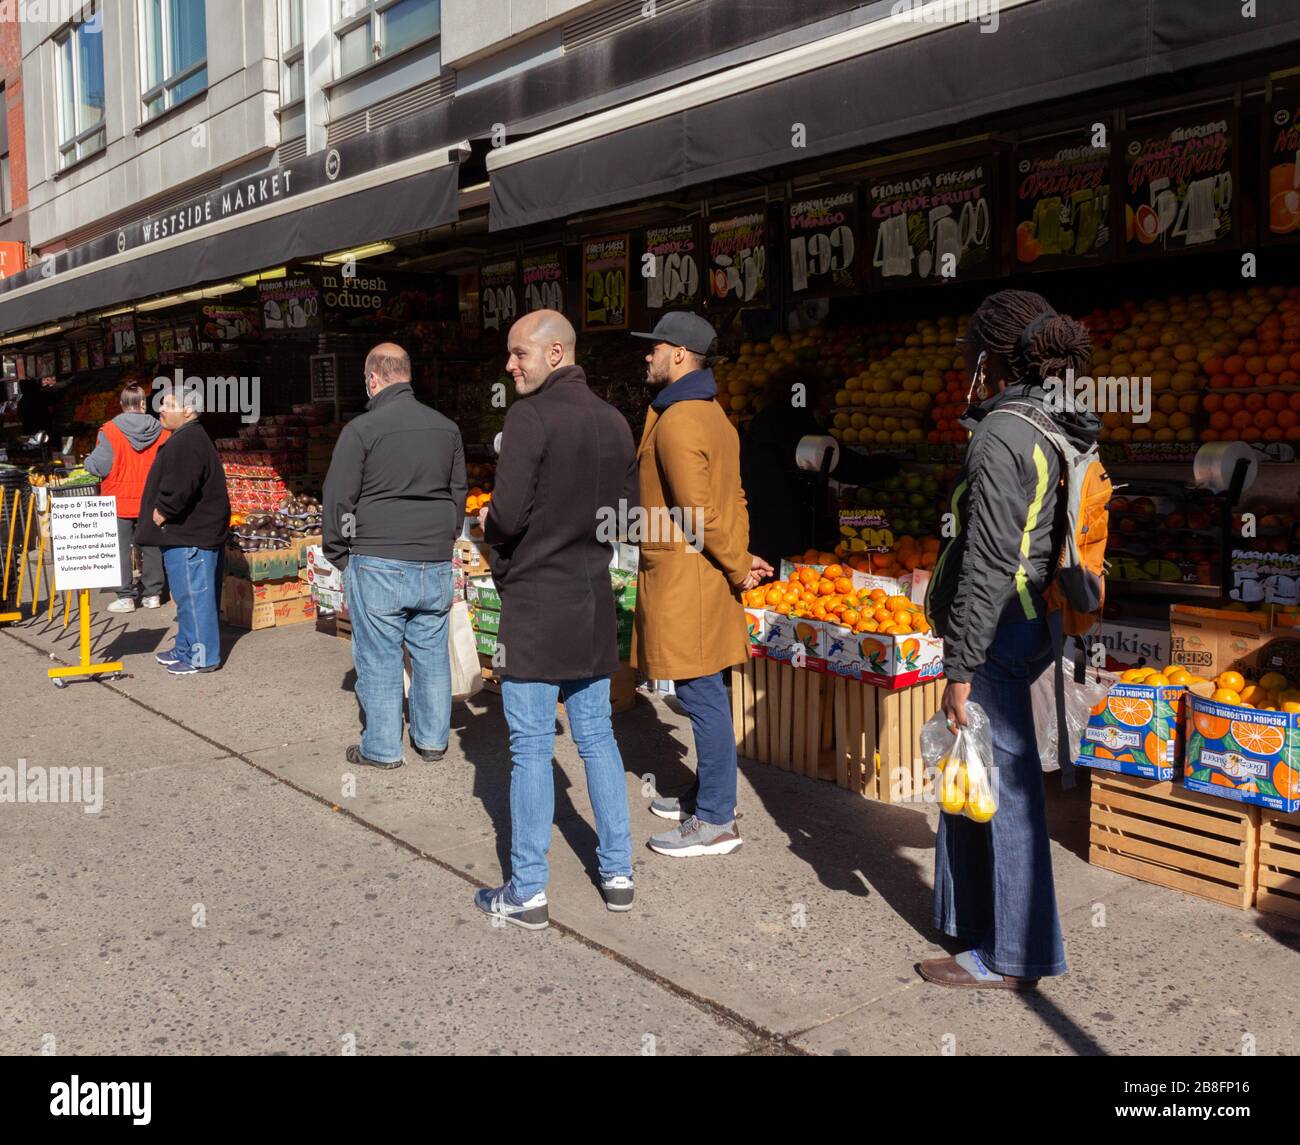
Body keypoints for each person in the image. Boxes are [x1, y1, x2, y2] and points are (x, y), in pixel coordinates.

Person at [919, 289, 1098, 991]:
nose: (964, 359)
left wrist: (960, 666)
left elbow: (991, 561)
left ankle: (1013, 954)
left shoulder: (1001, 435)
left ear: (989, 355)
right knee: (977, 777)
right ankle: (969, 917)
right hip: (1033, 617)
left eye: (970, 347)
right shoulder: (1051, 419)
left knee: (1009, 791)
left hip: (999, 626)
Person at [473, 310, 638, 930]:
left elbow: (508, 516)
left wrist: (492, 531)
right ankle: (618, 871)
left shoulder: (530, 416)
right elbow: (625, 516)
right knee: (597, 738)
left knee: (529, 748)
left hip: (537, 607)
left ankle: (528, 890)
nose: (509, 365)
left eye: (519, 354)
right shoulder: (614, 421)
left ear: (556, 352)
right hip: (592, 601)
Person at [630, 311, 773, 856]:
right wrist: (740, 555)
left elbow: (695, 511)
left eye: (656, 347)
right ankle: (706, 794)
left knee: (700, 692)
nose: (649, 355)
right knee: (704, 686)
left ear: (681, 356)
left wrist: (738, 562)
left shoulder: (681, 418)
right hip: (703, 569)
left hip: (687, 574)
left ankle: (715, 819)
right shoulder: (710, 412)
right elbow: (730, 500)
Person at [323, 343, 466, 771]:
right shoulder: (447, 428)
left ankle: (383, 748)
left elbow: (338, 497)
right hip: (434, 561)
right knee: (430, 653)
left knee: (379, 656)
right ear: (407, 374)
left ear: (373, 379)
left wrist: (339, 553)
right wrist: (442, 540)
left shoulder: (362, 430)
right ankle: (432, 741)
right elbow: (457, 493)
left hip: (378, 559)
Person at [741, 367, 900, 572]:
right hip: (791, 527)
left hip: (757, 524)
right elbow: (846, 465)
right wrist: (890, 464)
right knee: (796, 580)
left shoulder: (759, 423)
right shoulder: (798, 423)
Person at [135, 382, 231, 676]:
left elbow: (181, 486)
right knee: (188, 597)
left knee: (194, 598)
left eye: (169, 405)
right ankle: (186, 648)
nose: (161, 409)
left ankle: (201, 657)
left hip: (191, 535)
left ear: (188, 411)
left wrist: (163, 511)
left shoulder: (187, 440)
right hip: (190, 534)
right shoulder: (187, 437)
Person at [83, 382, 170, 613]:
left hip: (118, 499)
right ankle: (153, 594)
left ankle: (126, 597)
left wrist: (87, 461)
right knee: (151, 545)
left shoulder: (109, 430)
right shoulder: (162, 430)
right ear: (143, 404)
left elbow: (99, 467)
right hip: (151, 499)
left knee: (120, 549)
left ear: (122, 405)